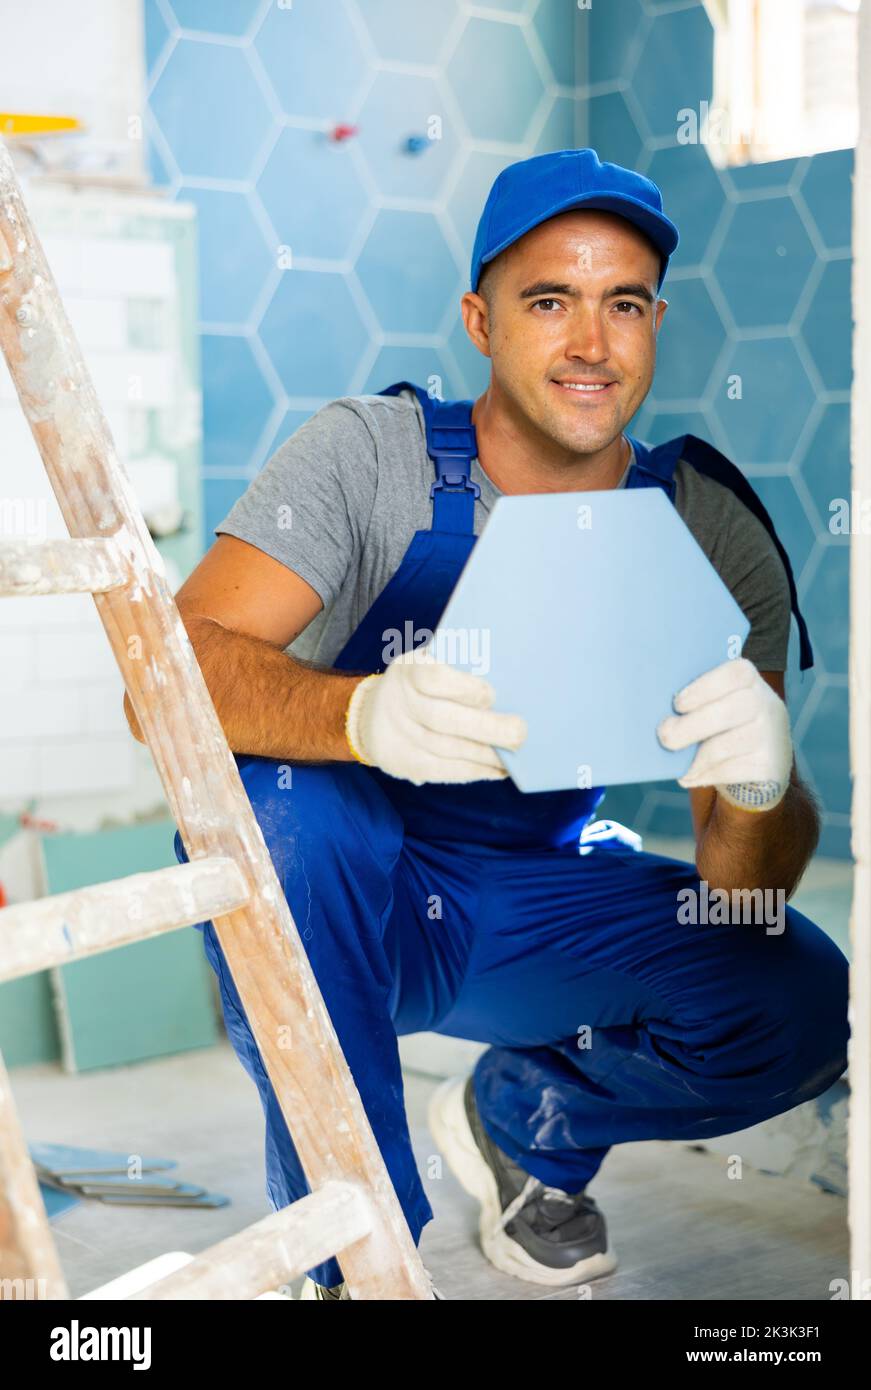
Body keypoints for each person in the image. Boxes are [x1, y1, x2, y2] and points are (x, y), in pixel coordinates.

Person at [127, 148, 849, 1299]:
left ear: (656, 319)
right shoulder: (370, 458)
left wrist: (765, 785)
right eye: (548, 300)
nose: (588, 343)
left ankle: (526, 1124)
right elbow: (160, 682)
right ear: (479, 318)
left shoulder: (708, 528)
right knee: (281, 801)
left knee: (798, 994)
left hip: (537, 900)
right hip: (347, 885)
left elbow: (741, 879)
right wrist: (357, 714)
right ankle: (356, 1250)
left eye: (621, 304)